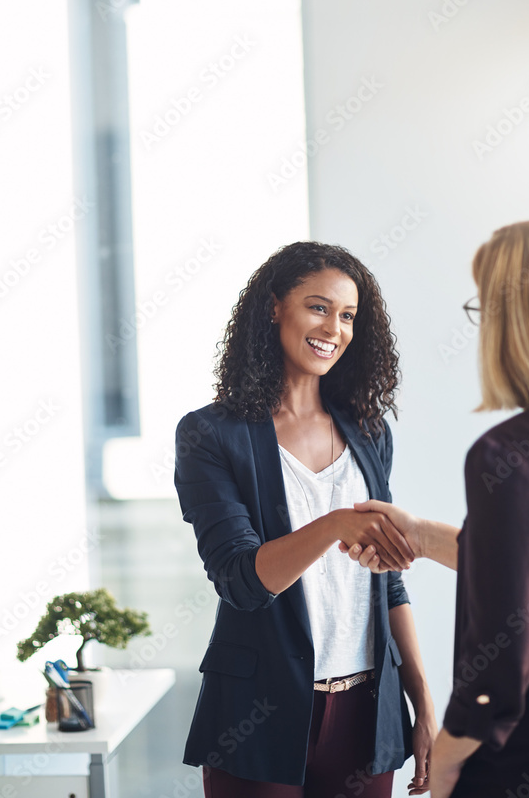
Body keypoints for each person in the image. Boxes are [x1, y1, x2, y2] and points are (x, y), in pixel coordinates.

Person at [174, 241, 438, 797]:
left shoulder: (368, 431)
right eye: (318, 307)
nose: (334, 328)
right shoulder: (210, 434)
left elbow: (387, 579)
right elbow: (242, 581)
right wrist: (334, 524)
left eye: (347, 316)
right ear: (274, 307)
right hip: (257, 713)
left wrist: (421, 702)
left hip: (367, 712)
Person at [343, 220, 529, 798]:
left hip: (526, 767)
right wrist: (423, 538)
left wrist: (448, 758)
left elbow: (500, 675)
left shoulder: (509, 455)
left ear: (512, 319)